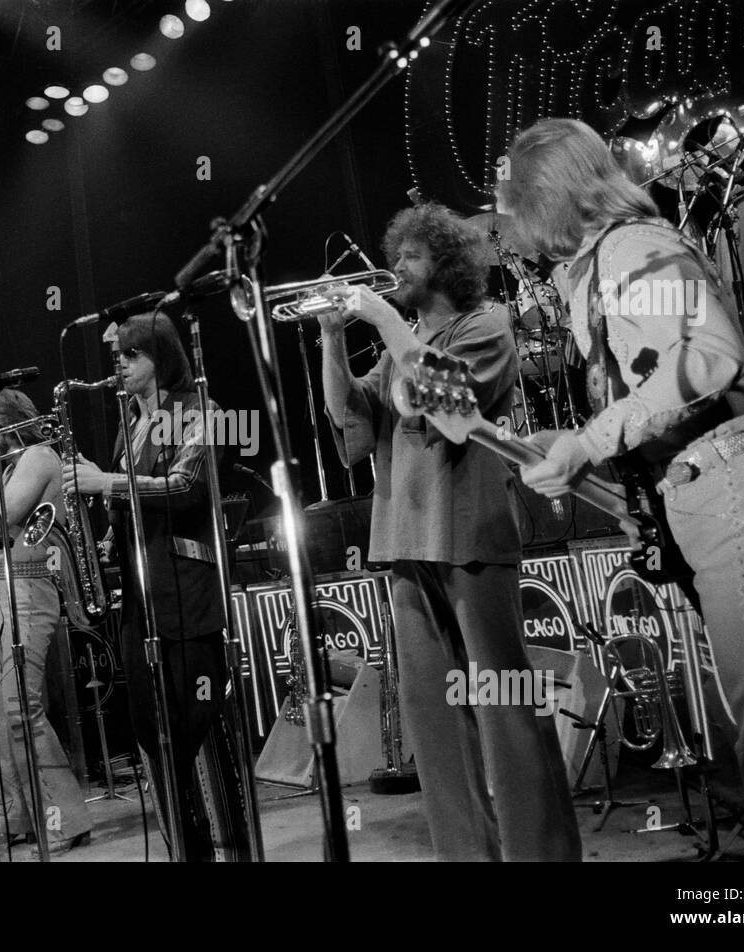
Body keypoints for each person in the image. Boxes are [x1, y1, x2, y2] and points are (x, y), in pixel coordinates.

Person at [502, 116, 744, 860]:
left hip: (735, 487)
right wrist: (569, 451)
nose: (513, 228)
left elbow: (710, 354)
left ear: (553, 199)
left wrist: (592, 441)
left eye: (519, 206)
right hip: (716, 491)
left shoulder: (634, 248)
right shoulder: (603, 265)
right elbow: (654, 391)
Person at [319, 203, 582, 861]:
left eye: (410, 254)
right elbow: (351, 432)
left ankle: (543, 854)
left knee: (504, 709)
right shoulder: (401, 343)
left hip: (470, 534)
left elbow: (455, 412)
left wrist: (381, 320)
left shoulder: (486, 325)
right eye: (396, 252)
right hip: (405, 543)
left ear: (446, 263)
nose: (395, 266)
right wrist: (329, 338)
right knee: (435, 724)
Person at [63, 313, 251, 862]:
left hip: (187, 591)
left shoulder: (201, 410)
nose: (118, 365)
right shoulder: (130, 425)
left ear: (161, 356)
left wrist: (108, 482)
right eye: (116, 356)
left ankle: (226, 844)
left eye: (131, 354)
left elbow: (188, 486)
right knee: (151, 732)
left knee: (193, 721)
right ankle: (188, 850)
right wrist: (101, 539)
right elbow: (132, 505)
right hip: (140, 603)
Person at [0, 388, 93, 854]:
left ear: (9, 422)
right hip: (2, 586)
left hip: (32, 586)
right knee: (0, 710)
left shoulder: (38, 456)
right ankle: (18, 819)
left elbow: (3, 510)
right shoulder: (11, 468)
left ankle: (65, 820)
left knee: (20, 708)